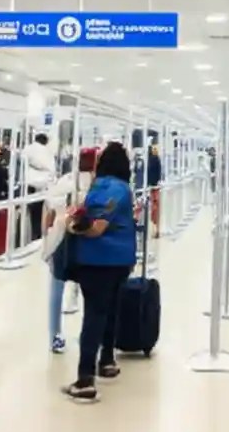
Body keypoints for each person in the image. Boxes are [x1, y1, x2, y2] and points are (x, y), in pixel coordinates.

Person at [63, 142, 137, 401]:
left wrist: (71, 226)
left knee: (93, 315)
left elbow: (94, 228)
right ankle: (106, 361)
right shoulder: (124, 189)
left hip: (96, 262)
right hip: (121, 260)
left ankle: (85, 379)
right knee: (111, 310)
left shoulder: (100, 188)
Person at [43, 147, 96, 354]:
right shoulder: (93, 184)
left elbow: (48, 210)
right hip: (83, 239)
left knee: (56, 289)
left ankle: (55, 335)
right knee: (88, 289)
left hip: (58, 238)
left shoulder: (65, 180)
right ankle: (86, 334)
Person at [24, 133, 57, 245]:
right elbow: (52, 171)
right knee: (46, 211)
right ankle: (40, 237)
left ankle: (31, 237)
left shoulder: (27, 150)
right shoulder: (48, 153)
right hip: (44, 185)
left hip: (29, 184)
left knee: (31, 213)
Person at [147, 144, 163, 238]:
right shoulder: (157, 160)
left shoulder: (150, 160)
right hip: (155, 186)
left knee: (153, 209)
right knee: (155, 209)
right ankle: (156, 229)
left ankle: (154, 229)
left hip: (151, 186)